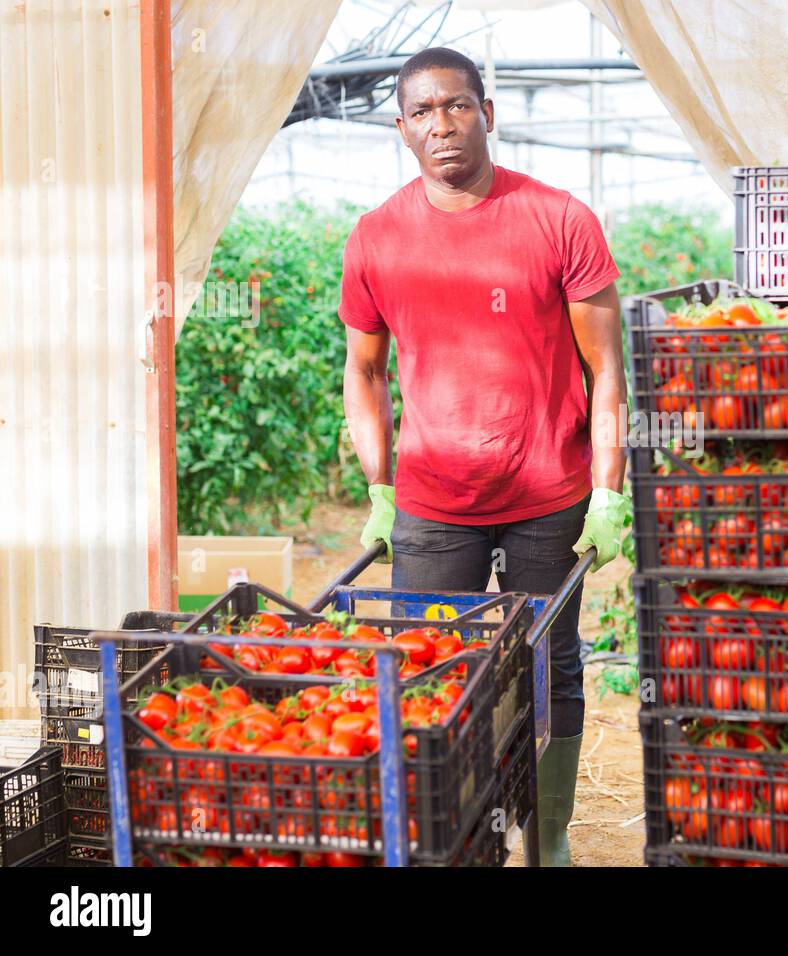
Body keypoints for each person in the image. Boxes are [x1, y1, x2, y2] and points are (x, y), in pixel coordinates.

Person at [338, 46, 630, 867]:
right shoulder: (377, 238)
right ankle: (459, 832)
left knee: (548, 664)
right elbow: (363, 372)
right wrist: (379, 487)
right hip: (433, 501)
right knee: (434, 669)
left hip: (547, 492)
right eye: (423, 113)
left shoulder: (559, 219)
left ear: (487, 113)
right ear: (402, 130)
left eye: (457, 106)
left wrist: (606, 491)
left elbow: (606, 366)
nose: (443, 125)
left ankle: (552, 831)